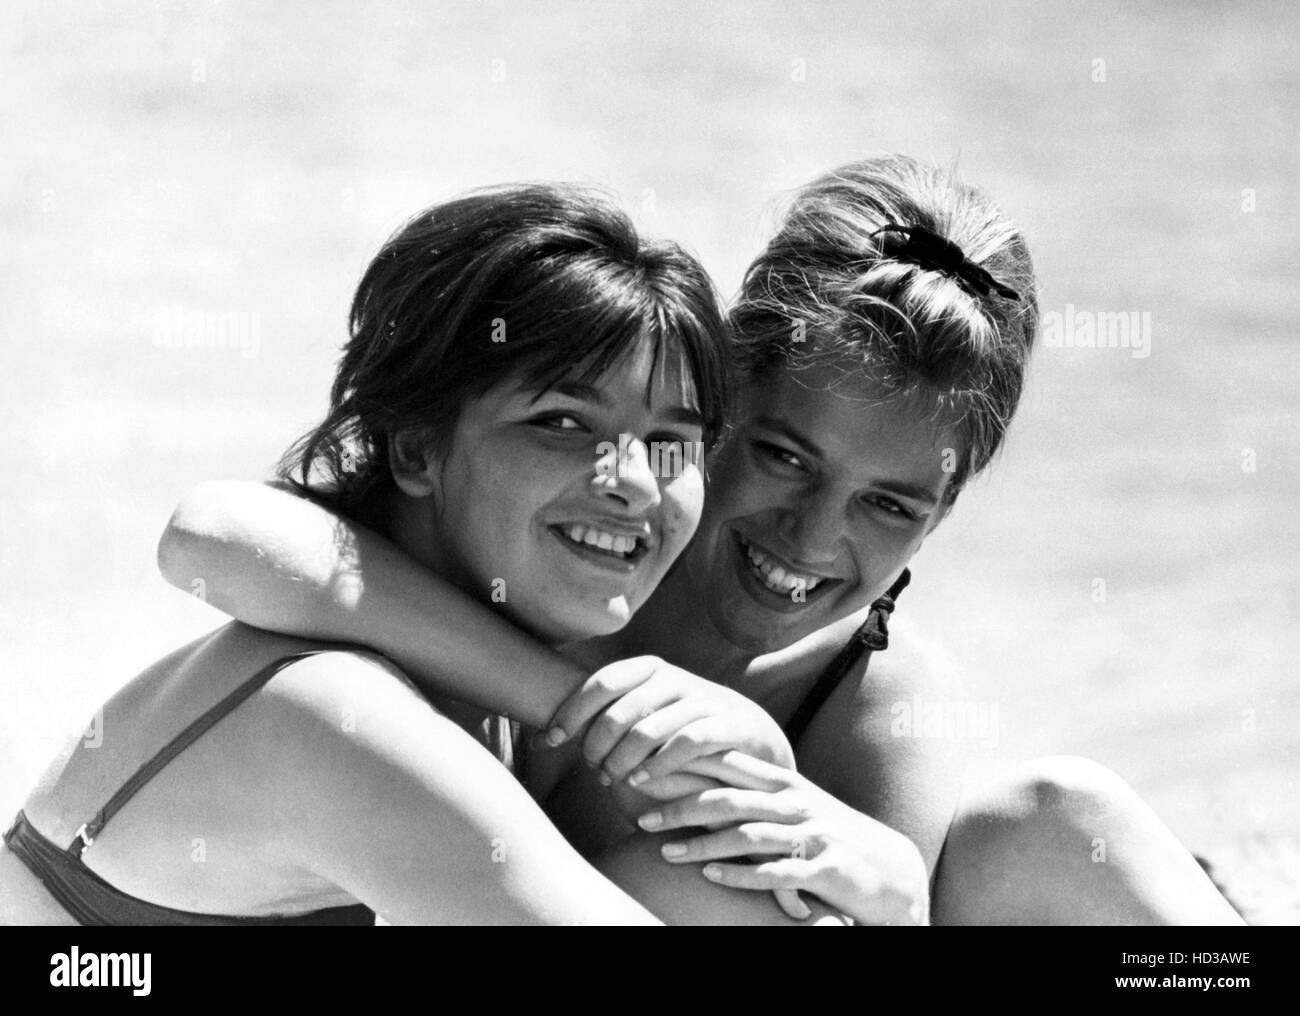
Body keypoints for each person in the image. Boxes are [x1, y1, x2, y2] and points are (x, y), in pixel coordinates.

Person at [157, 156, 1243, 925]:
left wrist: (885, 876)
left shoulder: (867, 695)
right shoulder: (565, 565)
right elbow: (216, 534)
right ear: (708, 399)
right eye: (783, 455)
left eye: (890, 506)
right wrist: (576, 698)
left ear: (941, 517)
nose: (811, 539)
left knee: (1061, 821)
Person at [0, 182, 772, 926]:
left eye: (673, 443)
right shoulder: (343, 717)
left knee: (714, 887)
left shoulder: (481, 667)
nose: (635, 483)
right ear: (415, 447)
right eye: (563, 424)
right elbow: (205, 533)